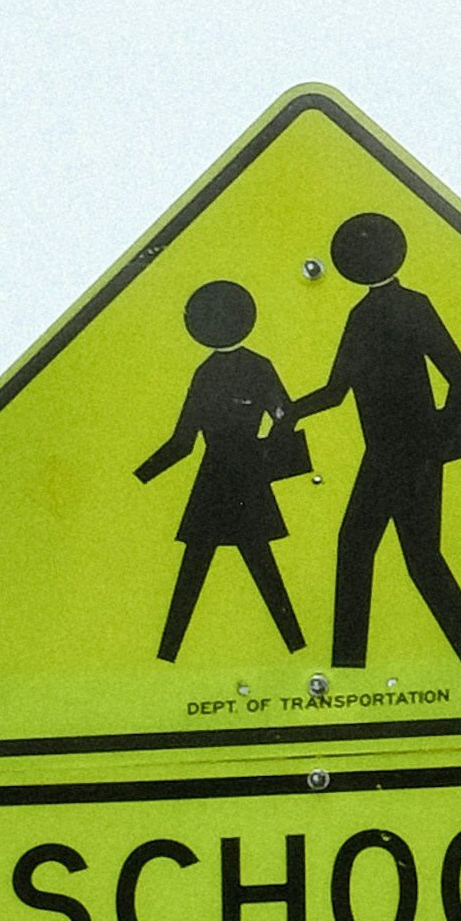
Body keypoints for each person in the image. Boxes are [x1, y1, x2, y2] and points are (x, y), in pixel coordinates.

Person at [290, 205, 461, 672]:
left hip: (404, 455)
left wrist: (438, 435)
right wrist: (290, 413)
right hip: (392, 456)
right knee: (395, 555)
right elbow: (339, 391)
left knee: (393, 555)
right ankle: (357, 666)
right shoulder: (376, 312)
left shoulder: (390, 311)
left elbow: (457, 372)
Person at [133, 279, 311, 660]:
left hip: (215, 482)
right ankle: (295, 647)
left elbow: (183, 442)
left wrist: (143, 475)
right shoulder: (257, 366)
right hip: (247, 480)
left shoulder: (206, 373)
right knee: (259, 565)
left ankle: (168, 653)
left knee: (197, 569)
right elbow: (285, 415)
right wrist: (266, 454)